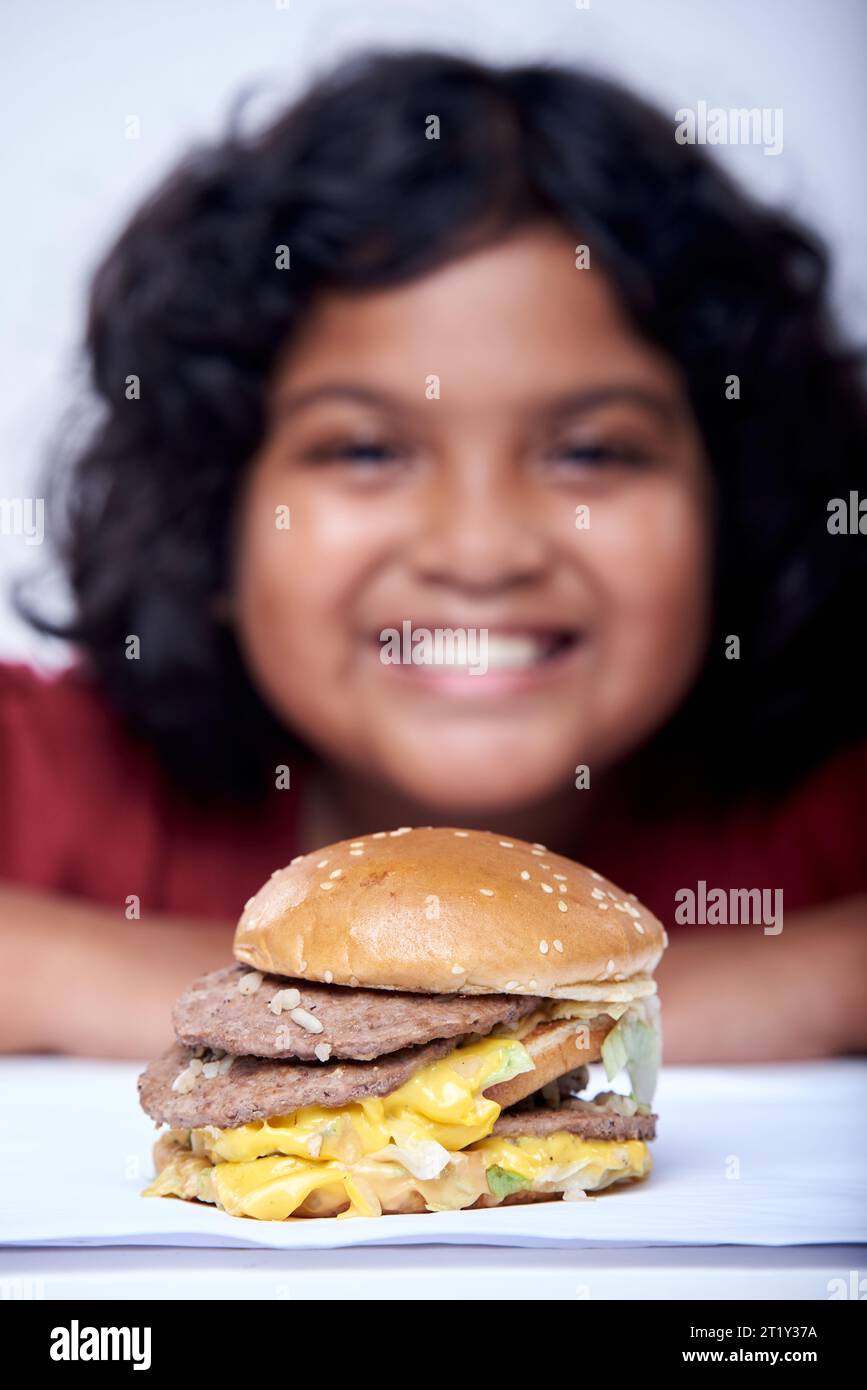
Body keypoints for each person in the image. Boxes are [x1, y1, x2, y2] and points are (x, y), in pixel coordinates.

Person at [2, 51, 865, 1062]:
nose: (480, 548)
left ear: (739, 507)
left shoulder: (826, 803)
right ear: (211, 513)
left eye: (591, 452)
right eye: (365, 450)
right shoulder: (45, 771)